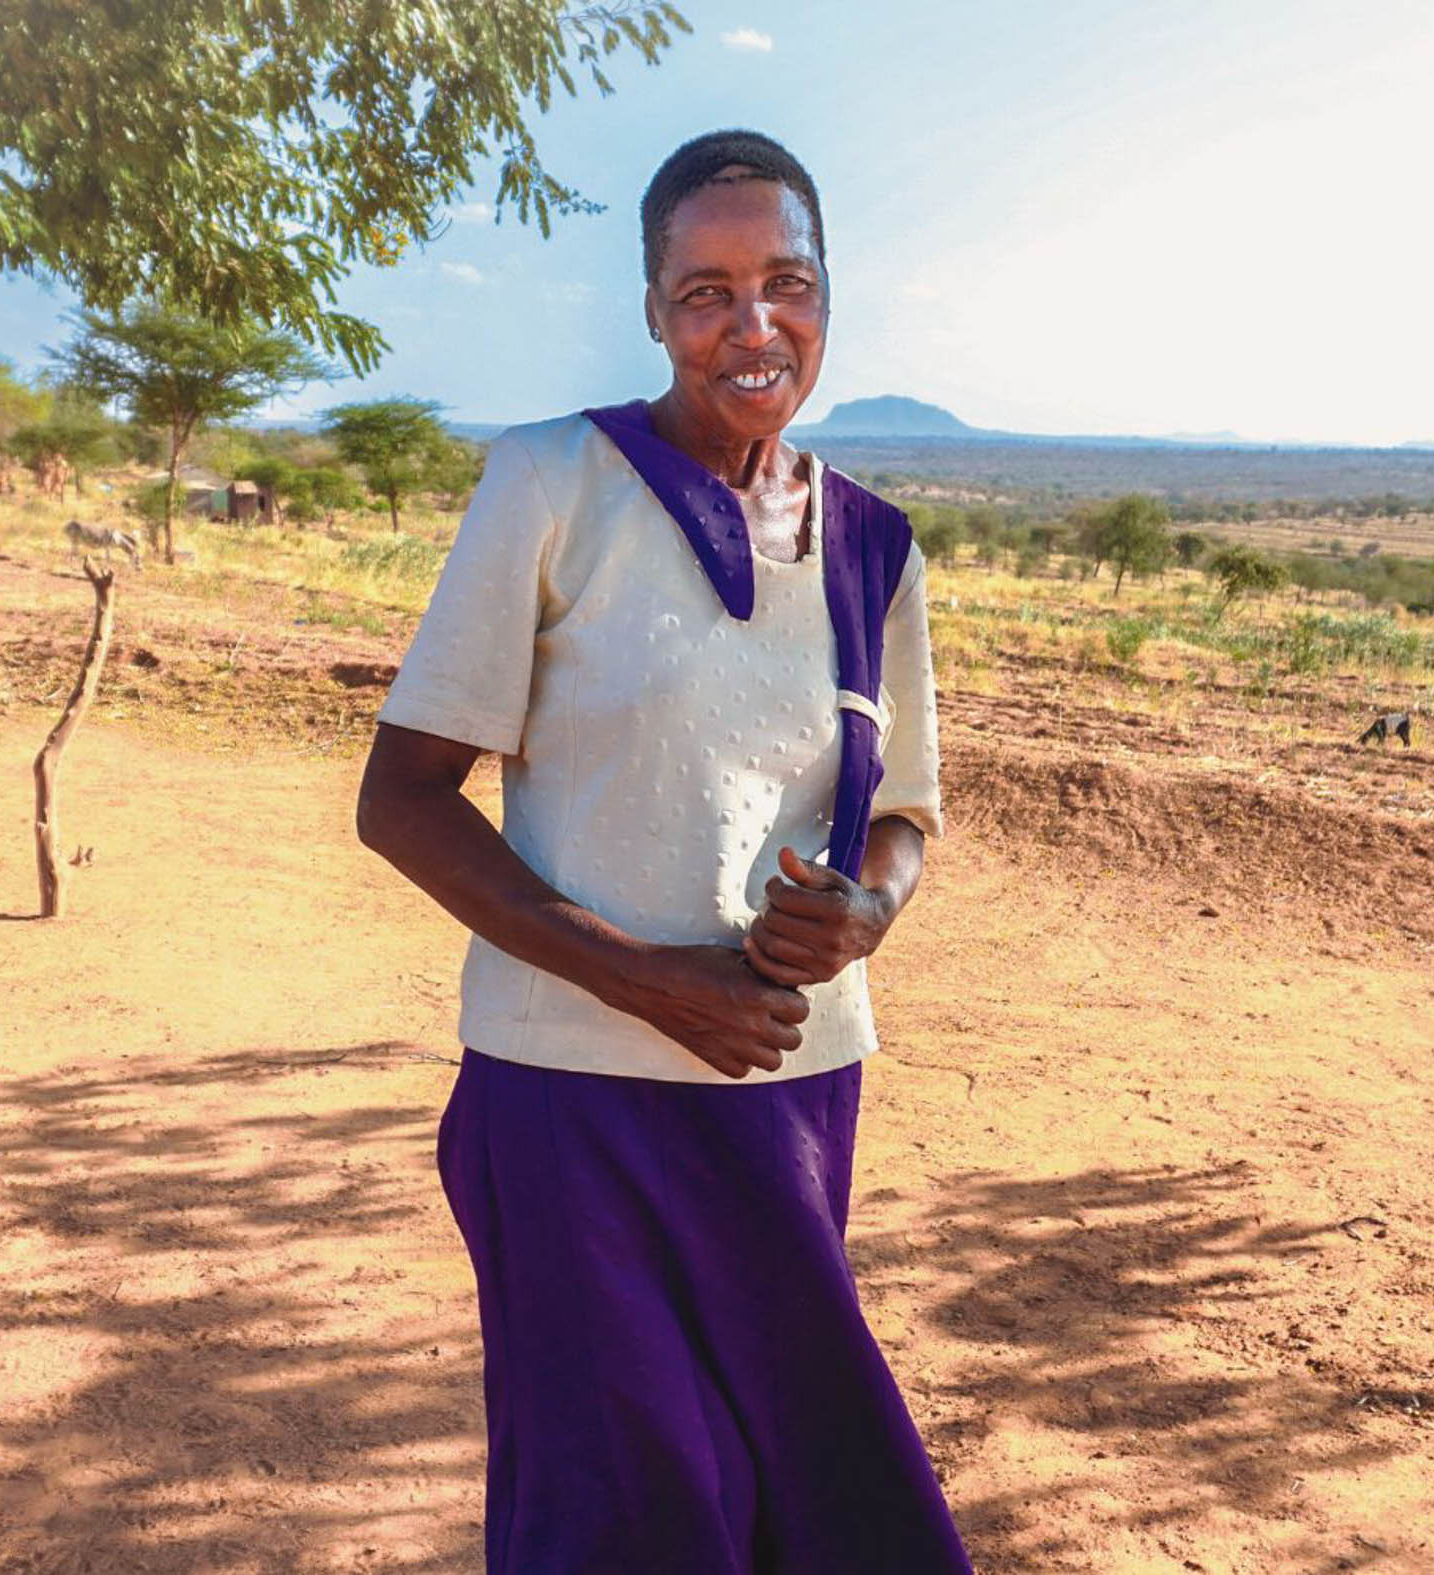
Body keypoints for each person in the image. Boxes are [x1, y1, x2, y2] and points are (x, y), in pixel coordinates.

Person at [356, 129, 974, 1574]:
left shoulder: (878, 547)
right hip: (570, 1098)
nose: (753, 327)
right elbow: (402, 799)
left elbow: (906, 813)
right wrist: (649, 983)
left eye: (787, 283)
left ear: (828, 296)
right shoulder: (552, 483)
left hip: (792, 1089)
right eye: (705, 291)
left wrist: (868, 914)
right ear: (651, 309)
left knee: (807, 1488)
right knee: (627, 1510)